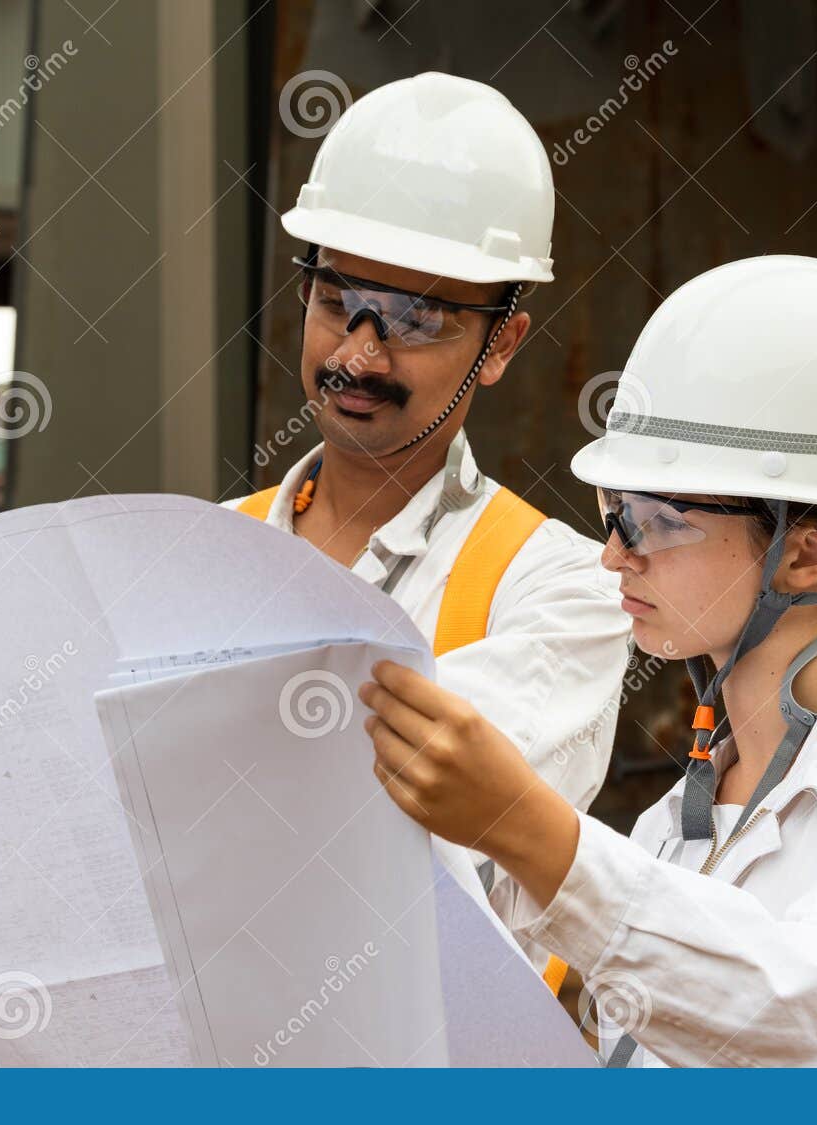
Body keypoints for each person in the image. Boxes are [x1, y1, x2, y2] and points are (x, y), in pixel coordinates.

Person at [360, 255, 817, 1067]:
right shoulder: (669, 832)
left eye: (651, 520)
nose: (613, 557)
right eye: (612, 513)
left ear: (807, 556)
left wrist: (533, 832)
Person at [227, 72, 631, 846]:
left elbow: (360, 816)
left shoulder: (559, 592)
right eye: (338, 300)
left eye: (417, 320)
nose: (360, 354)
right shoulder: (206, 550)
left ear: (500, 344)